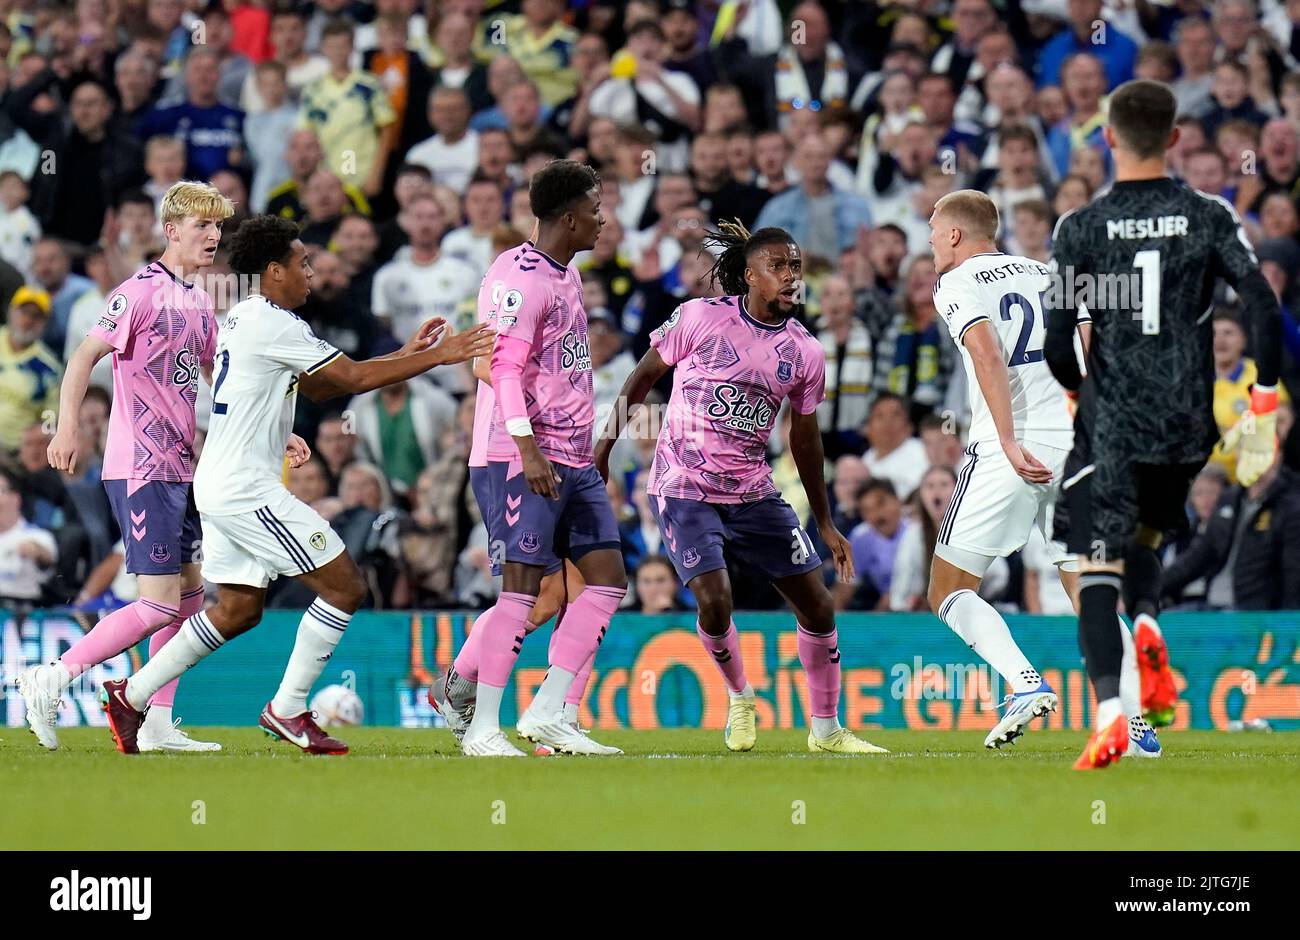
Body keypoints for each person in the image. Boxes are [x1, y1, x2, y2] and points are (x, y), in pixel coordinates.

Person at [95, 214, 494, 756]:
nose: (310, 272)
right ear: (274, 270)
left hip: (223, 480)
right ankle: (287, 709)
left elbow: (326, 384)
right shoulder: (273, 322)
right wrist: (441, 356)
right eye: (302, 262)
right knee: (346, 586)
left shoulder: (246, 317)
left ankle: (132, 695)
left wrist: (404, 355)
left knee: (237, 610)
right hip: (245, 488)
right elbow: (350, 380)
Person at [1044, 79, 1283, 770]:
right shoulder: (1208, 214)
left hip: (1113, 421)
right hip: (1186, 424)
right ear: (1175, 139)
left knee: (1095, 561)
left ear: (1109, 138)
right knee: (1146, 533)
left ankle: (1111, 715)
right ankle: (1149, 621)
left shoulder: (1079, 228)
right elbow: (1263, 309)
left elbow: (1060, 344)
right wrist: (1262, 405)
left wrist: (1082, 398)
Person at [596, 221, 887, 755]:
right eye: (779, 266)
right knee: (714, 599)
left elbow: (804, 438)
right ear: (750, 275)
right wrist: (602, 451)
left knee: (819, 608)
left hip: (754, 492)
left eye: (796, 266)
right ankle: (741, 697)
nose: (791, 276)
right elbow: (640, 379)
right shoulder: (700, 317)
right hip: (683, 485)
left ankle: (826, 730)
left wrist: (823, 521)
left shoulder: (804, 352)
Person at [19, 183, 235, 754]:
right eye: (202, 226)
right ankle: (53, 676)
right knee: (161, 600)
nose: (213, 236)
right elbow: (83, 357)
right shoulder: (138, 292)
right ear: (172, 230)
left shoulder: (199, 301)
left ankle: (159, 718)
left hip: (181, 468)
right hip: (140, 465)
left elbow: (217, 377)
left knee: (190, 596)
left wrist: (271, 429)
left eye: (217, 227)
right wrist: (65, 428)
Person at [926, 188, 1133, 751]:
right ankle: (1130, 721)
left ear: (953, 235)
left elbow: (988, 353)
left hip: (1008, 448)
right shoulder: (1050, 272)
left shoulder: (956, 282)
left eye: (932, 230)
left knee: (947, 588)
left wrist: (1010, 440)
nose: (929, 241)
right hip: (1076, 442)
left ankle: (1022, 683)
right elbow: (1095, 349)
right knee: (1088, 587)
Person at [436, 160, 628, 758]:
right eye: (596, 209)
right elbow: (500, 366)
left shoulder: (565, 274)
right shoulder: (518, 278)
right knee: (524, 591)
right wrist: (527, 446)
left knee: (606, 581)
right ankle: (481, 726)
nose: (604, 219)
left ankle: (548, 712)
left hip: (571, 453)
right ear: (568, 218)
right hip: (518, 453)